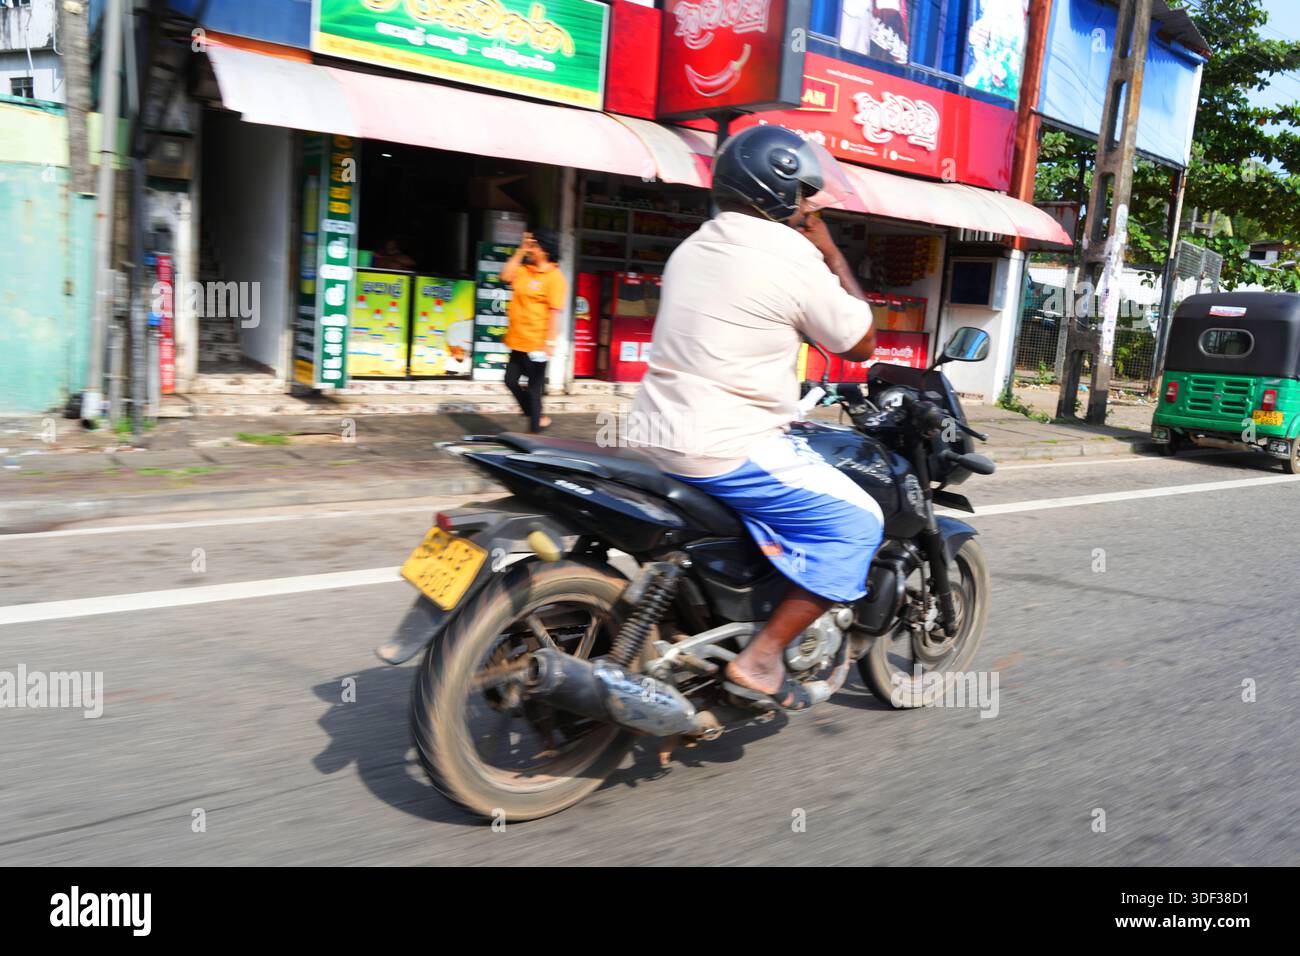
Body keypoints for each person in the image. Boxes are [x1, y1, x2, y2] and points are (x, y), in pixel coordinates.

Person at [627, 125, 880, 712]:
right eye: (803, 195)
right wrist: (830, 249)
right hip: (724, 442)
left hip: (654, 434)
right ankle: (761, 659)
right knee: (857, 524)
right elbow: (860, 341)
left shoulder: (694, 245)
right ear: (778, 192)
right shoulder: (789, 253)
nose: (807, 206)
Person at [500, 228, 566, 433]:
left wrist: (550, 342)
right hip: (517, 340)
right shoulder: (524, 270)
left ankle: (534, 435)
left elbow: (554, 312)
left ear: (544, 250)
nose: (531, 248)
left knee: (534, 391)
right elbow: (504, 276)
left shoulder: (555, 278)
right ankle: (537, 417)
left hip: (537, 343)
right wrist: (521, 250)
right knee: (510, 381)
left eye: (534, 245)